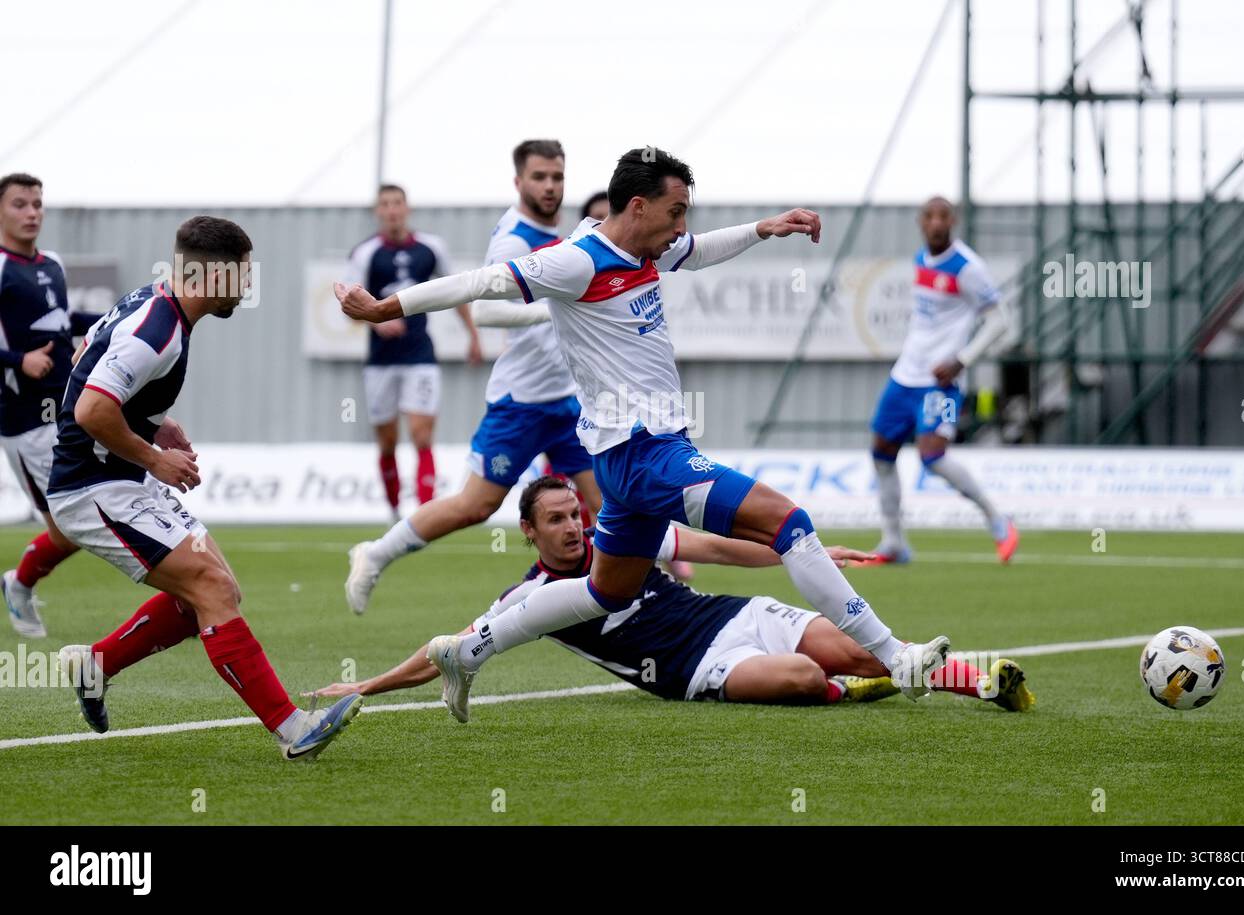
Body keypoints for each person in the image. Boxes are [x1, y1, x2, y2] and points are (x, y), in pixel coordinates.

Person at [336, 146, 951, 723]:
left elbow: (701, 249)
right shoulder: (578, 259)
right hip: (645, 454)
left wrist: (763, 228)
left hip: (620, 464)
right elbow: (480, 284)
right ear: (638, 207)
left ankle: (467, 653)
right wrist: (384, 308)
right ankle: (895, 654)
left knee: (606, 590)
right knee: (789, 523)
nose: (682, 225)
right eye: (675, 210)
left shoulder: (651, 250)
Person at [50, 216, 361, 761]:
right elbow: (90, 407)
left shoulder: (154, 300)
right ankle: (295, 731)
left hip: (120, 476)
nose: (245, 286)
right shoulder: (158, 331)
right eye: (242, 274)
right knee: (212, 589)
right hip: (92, 488)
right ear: (213, 276)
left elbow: (85, 358)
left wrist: (152, 420)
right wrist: (154, 456)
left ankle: (96, 665)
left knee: (217, 592)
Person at [314, 476, 1034, 711]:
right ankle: (857, 688)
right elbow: (447, 652)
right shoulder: (526, 599)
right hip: (694, 670)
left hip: (731, 613)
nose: (575, 526)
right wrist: (364, 686)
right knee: (804, 677)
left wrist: (800, 549)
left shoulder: (621, 542)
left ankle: (981, 681)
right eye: (558, 520)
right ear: (529, 532)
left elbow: (717, 546)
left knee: (848, 646)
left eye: (578, 514)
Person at [345, 140, 604, 614]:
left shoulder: (557, 234)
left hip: (566, 401)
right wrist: (556, 311)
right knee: (474, 506)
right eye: (540, 177)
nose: (550, 186)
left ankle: (639, 596)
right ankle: (376, 553)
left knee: (604, 502)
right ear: (519, 182)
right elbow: (486, 312)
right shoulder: (514, 240)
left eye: (557, 177)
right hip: (521, 403)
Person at [865, 196, 1018, 565]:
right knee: (881, 452)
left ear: (953, 221)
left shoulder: (968, 267)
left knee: (932, 456)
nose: (936, 223)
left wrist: (961, 360)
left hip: (941, 380)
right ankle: (894, 542)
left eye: (943, 217)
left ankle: (998, 520)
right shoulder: (921, 259)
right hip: (905, 375)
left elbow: (1000, 321)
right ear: (920, 222)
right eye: (929, 217)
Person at [345, 184, 482, 517]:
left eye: (397, 203)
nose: (392, 210)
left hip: (420, 356)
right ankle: (394, 512)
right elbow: (348, 304)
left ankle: (424, 515)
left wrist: (472, 335)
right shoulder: (365, 253)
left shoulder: (431, 248)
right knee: (388, 440)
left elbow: (457, 290)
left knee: (422, 435)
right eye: (385, 204)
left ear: (407, 208)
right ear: (378, 211)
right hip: (380, 361)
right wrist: (377, 322)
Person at [0, 173, 99, 637]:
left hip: (68, 407)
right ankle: (19, 584)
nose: (32, 212)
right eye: (20, 204)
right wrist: (17, 359)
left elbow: (63, 322)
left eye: (37, 203)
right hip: (24, 423)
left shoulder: (53, 263)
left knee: (96, 508)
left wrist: (115, 318)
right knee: (69, 528)